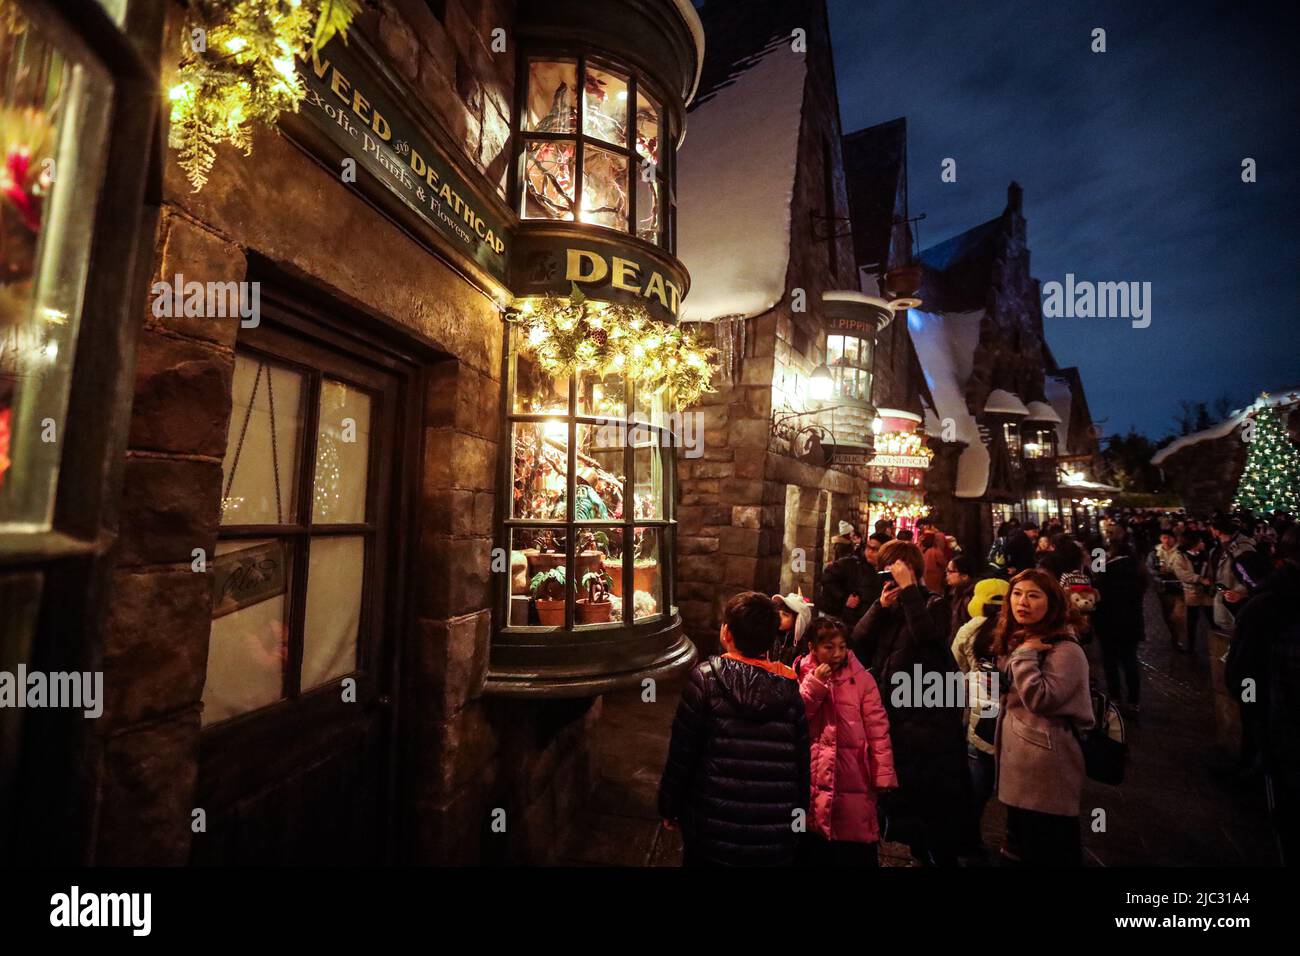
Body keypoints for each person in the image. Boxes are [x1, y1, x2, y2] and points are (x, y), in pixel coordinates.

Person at [658, 592, 810, 866]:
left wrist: (670, 806)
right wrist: (799, 818)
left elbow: (682, 754)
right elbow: (801, 764)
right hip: (772, 832)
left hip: (711, 827)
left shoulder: (705, 680)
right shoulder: (790, 689)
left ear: (726, 632)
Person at [851, 540, 970, 866]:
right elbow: (858, 640)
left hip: (924, 717)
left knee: (926, 798)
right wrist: (879, 607)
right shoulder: (890, 607)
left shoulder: (934, 604)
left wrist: (910, 592)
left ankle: (934, 852)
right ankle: (914, 842)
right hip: (891, 714)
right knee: (899, 794)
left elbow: (928, 638)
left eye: (895, 569)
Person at [993, 569, 1094, 866]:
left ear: (1052, 602)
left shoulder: (1065, 649)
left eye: (1033, 596)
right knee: (1020, 844)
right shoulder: (1023, 638)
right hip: (1022, 765)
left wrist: (1024, 656)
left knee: (1049, 848)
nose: (1022, 602)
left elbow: (1041, 699)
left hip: (1047, 768)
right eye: (1017, 594)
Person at [794, 618, 897, 866]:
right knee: (813, 836)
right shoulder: (800, 675)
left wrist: (883, 773)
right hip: (814, 771)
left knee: (853, 838)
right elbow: (798, 717)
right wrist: (815, 683)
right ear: (812, 647)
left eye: (842, 646)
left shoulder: (862, 680)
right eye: (829, 647)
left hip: (854, 773)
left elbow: (878, 728)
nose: (837, 654)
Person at [951, 577, 1011, 861]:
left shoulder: (970, 629)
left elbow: (955, 668)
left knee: (977, 783)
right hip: (1012, 723)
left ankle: (966, 837)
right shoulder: (1021, 632)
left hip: (980, 717)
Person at [1092, 536, 1148, 717]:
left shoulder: (1106, 571)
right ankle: (1134, 701)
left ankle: (1115, 696)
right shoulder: (1139, 570)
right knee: (1130, 661)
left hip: (1108, 623)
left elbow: (1095, 587)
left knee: (1110, 662)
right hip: (1132, 623)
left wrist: (1098, 558)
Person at [818, 533, 884, 631]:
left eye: (875, 549)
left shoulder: (886, 571)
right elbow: (827, 578)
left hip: (871, 624)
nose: (869, 552)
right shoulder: (851, 564)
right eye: (868, 547)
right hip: (847, 621)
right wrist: (844, 597)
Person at [1167, 530, 1213, 654]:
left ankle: (1218, 644)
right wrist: (1200, 579)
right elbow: (1182, 574)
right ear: (1193, 543)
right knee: (1192, 621)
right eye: (1200, 541)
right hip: (1191, 592)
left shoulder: (1205, 554)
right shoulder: (1180, 556)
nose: (1203, 543)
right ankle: (1191, 646)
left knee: (1212, 619)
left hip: (1207, 592)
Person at [771, 591, 814, 665]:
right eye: (778, 613)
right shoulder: (774, 637)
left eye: (785, 615)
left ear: (798, 620)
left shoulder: (803, 646)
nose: (779, 617)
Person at [946, 553, 978, 638]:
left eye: (950, 571)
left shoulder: (972, 597)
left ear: (964, 576)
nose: (947, 574)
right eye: (947, 570)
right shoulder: (956, 592)